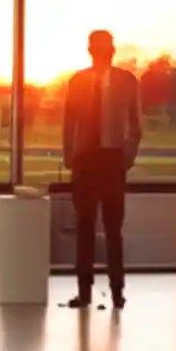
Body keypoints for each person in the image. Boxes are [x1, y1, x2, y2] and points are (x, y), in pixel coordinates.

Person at [62, 30, 142, 310]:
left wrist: (126, 157)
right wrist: (70, 157)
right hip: (85, 161)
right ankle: (84, 292)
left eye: (105, 47)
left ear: (112, 50)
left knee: (112, 229)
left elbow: (136, 125)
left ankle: (117, 291)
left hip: (112, 161)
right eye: (96, 47)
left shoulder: (127, 82)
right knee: (84, 228)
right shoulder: (78, 81)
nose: (100, 52)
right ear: (89, 50)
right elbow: (68, 121)